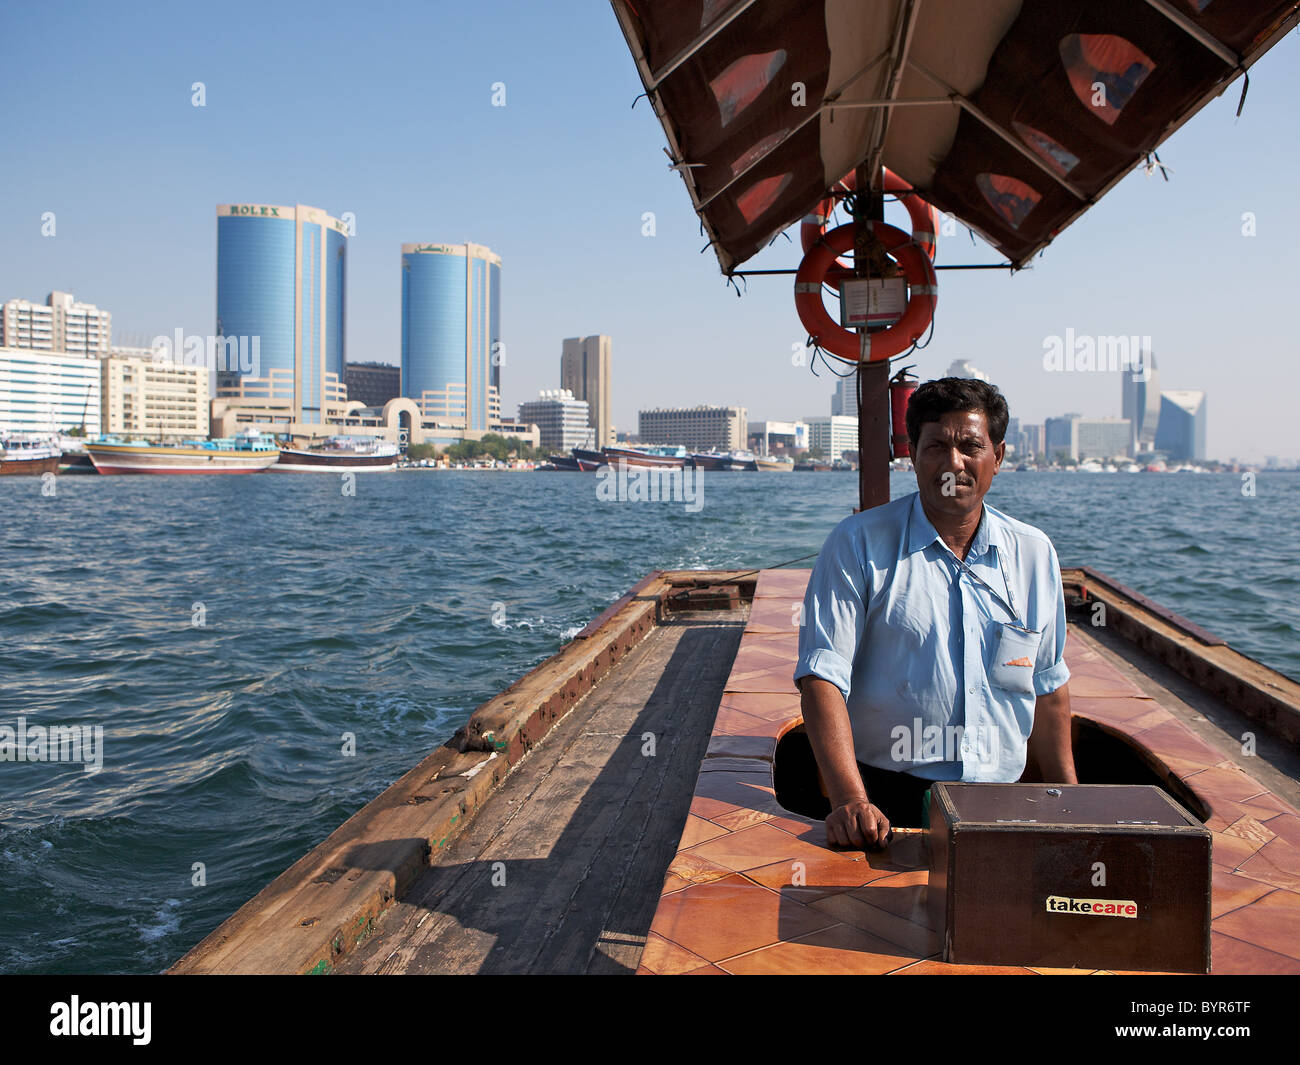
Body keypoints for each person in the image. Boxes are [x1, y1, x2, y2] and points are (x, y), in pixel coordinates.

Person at [793, 377, 1076, 850]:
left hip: (1001, 799)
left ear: (998, 457)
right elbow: (822, 676)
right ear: (912, 455)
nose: (954, 463)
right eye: (936, 446)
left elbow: (1047, 686)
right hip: (887, 799)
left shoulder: (1033, 553)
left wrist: (1071, 801)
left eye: (970, 446)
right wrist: (849, 800)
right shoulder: (859, 543)